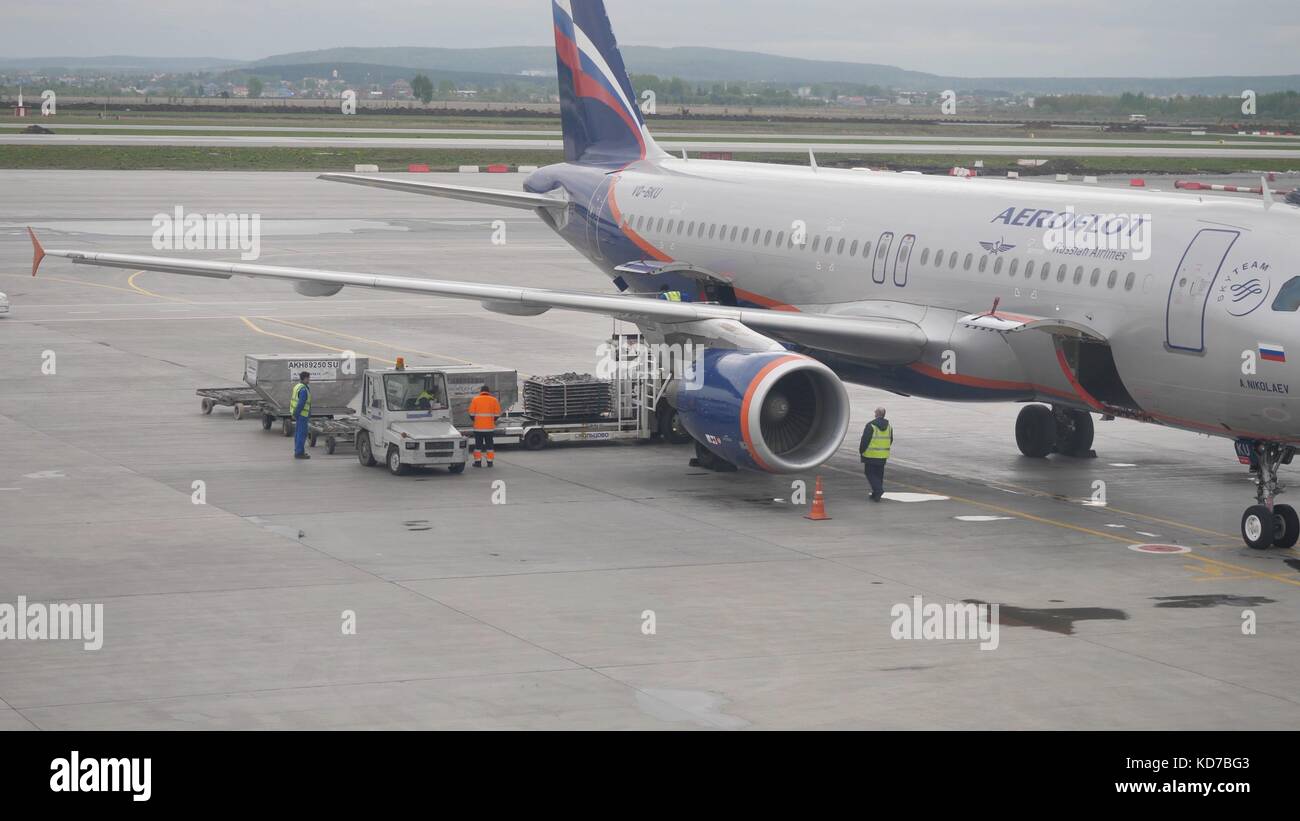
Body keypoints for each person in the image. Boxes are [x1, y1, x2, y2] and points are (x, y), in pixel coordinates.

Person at [859, 407, 894, 502]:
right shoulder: (889, 427)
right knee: (879, 475)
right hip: (883, 455)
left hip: (871, 455)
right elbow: (890, 440)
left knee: (869, 473)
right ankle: (876, 494)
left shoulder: (871, 426)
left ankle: (878, 490)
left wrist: (861, 451)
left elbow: (865, 440)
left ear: (876, 414)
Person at [466, 385, 503, 468]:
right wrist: (491, 420)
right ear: (488, 392)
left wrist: (476, 420)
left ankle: (478, 462)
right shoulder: (494, 400)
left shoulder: (475, 399)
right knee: (489, 446)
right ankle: (490, 462)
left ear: (481, 391)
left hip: (478, 428)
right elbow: (497, 414)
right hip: (489, 428)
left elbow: (471, 414)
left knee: (478, 446)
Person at [291, 371, 312, 460]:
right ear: (304, 378)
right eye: (308, 378)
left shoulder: (297, 386)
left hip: (298, 414)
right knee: (302, 434)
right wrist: (296, 413)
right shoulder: (303, 389)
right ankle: (299, 453)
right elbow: (301, 403)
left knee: (298, 434)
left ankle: (298, 451)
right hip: (302, 414)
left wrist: (294, 414)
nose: (309, 380)